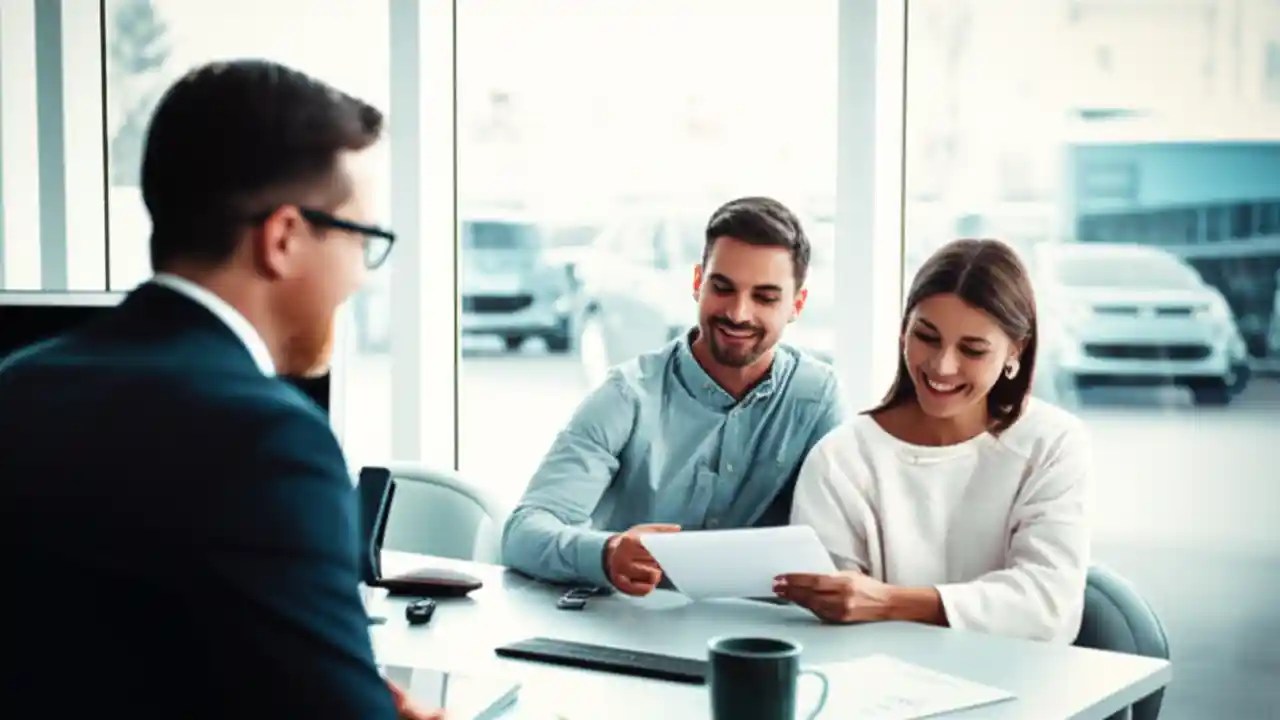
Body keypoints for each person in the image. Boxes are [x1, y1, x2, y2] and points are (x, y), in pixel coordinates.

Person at [0, 60, 439, 718]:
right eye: (362, 240)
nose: (364, 278)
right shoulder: (268, 441)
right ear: (284, 238)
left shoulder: (18, 385)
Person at [502, 197, 847, 595]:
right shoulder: (627, 396)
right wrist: (606, 552)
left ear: (795, 305)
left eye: (765, 297)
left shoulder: (817, 397)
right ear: (698, 282)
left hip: (758, 636)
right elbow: (523, 532)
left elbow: (837, 543)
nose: (738, 313)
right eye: (722, 288)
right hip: (633, 627)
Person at [775, 239, 1092, 644]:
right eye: (926, 337)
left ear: (1017, 349)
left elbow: (1049, 607)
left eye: (973, 349)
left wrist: (891, 602)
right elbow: (827, 613)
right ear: (904, 329)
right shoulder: (841, 458)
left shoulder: (1052, 443)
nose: (943, 365)